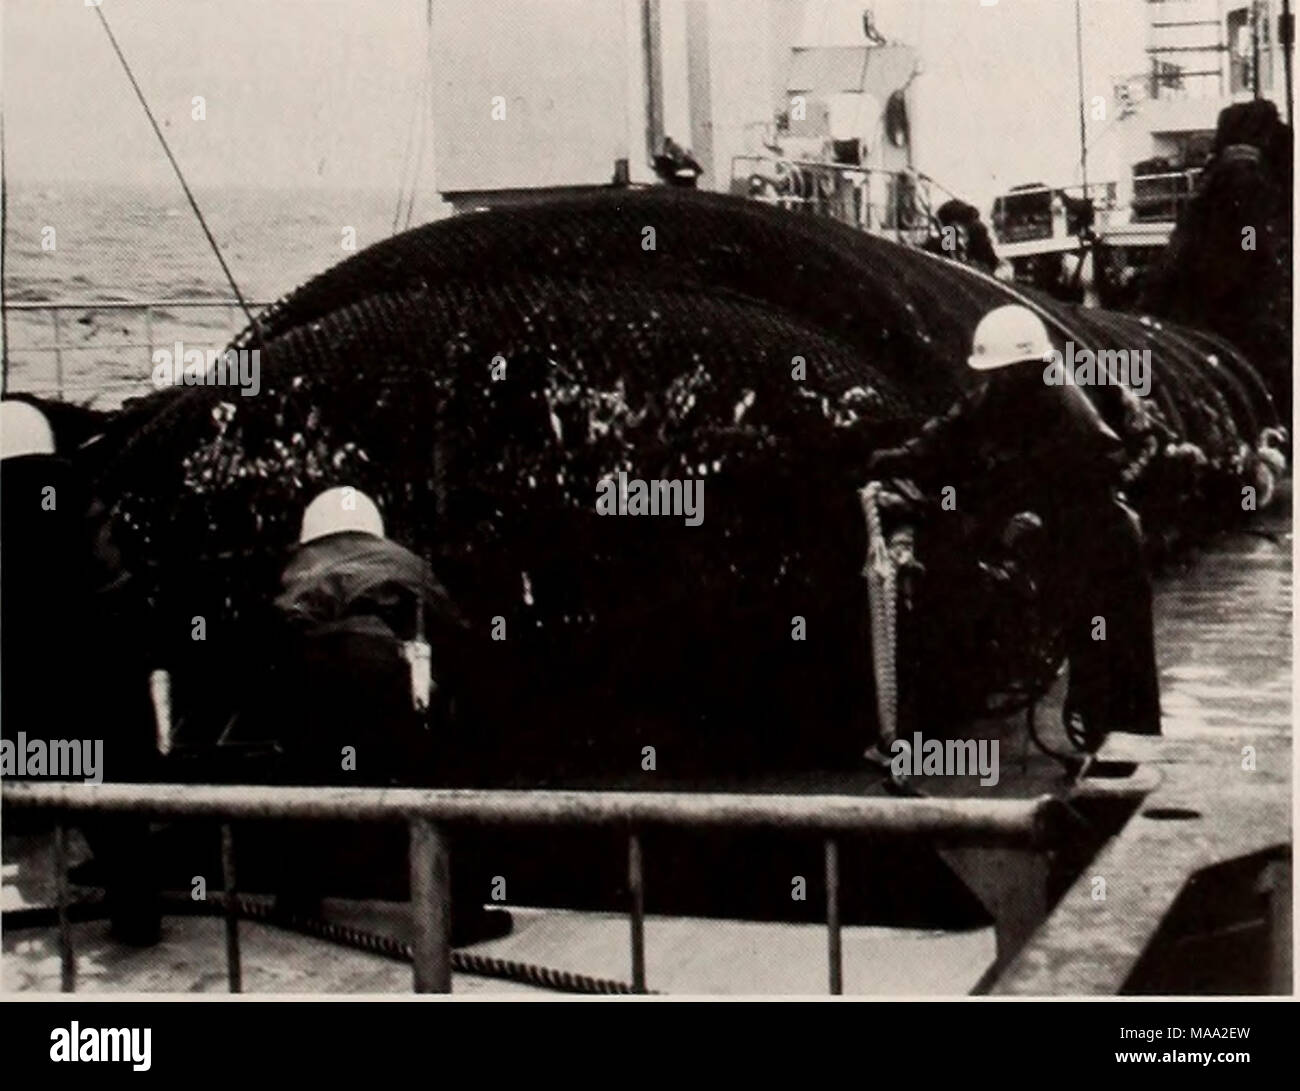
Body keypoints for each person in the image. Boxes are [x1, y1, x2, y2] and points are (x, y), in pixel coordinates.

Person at [868, 304, 1161, 746]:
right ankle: (1102, 742)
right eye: (995, 373)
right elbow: (951, 432)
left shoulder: (1066, 410)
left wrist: (1000, 519)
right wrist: (892, 459)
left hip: (1103, 542)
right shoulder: (1005, 395)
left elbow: (1041, 482)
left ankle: (1123, 754)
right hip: (1071, 536)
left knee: (1114, 651)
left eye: (1006, 372)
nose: (997, 379)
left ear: (1030, 366)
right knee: (1090, 646)